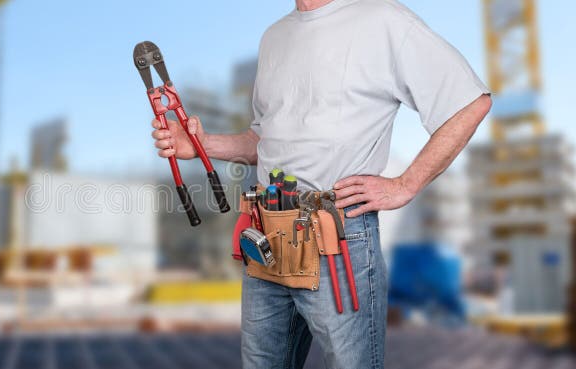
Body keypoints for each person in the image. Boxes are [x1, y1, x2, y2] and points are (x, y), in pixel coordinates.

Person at [149, 0, 491, 368]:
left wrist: (405, 184)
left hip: (339, 234)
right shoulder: (275, 37)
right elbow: (264, 141)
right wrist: (200, 144)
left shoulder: (384, 20)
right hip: (266, 234)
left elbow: (470, 102)